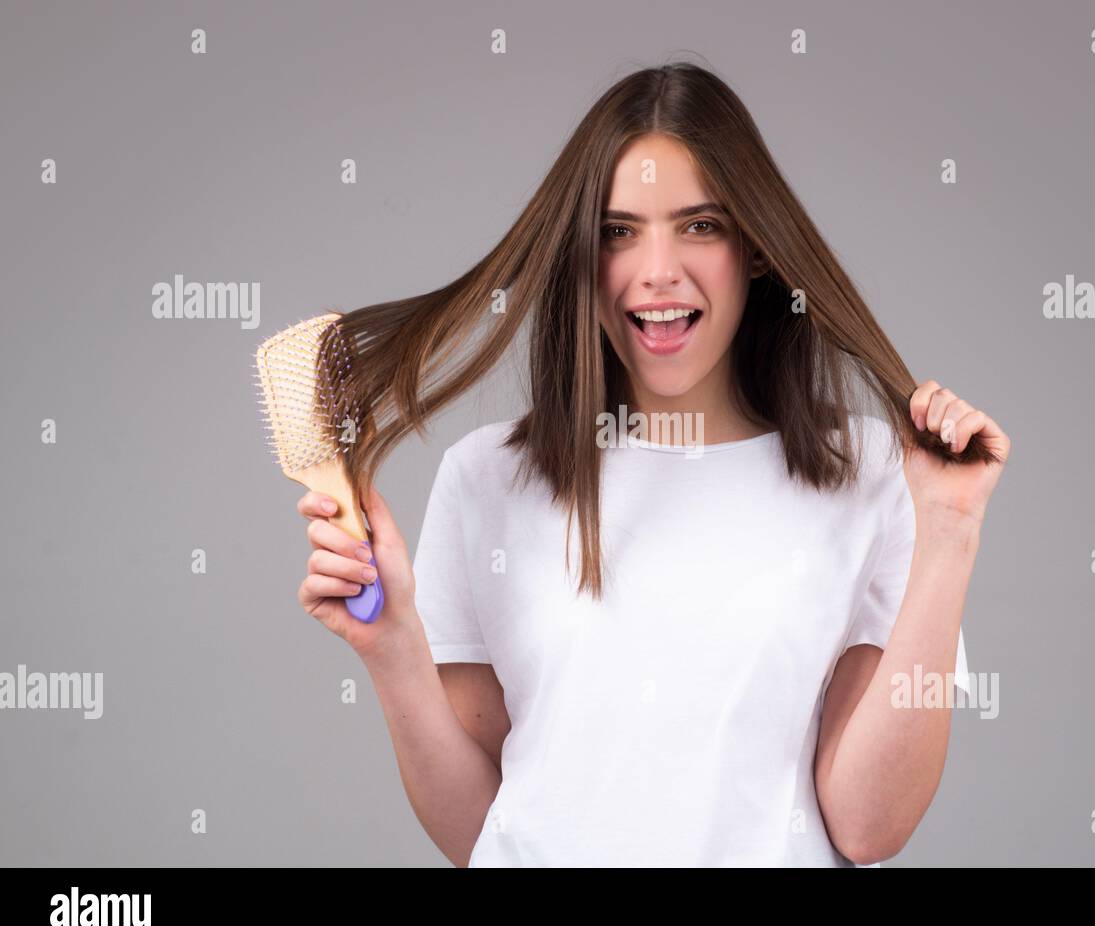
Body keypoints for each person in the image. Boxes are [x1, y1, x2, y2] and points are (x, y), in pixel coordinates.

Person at [293, 62, 1010, 867]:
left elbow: (869, 825)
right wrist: (393, 649)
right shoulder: (485, 478)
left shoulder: (871, 475)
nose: (658, 270)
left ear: (758, 249)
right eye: (618, 231)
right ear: (579, 256)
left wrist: (948, 530)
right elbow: (483, 831)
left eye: (700, 225)